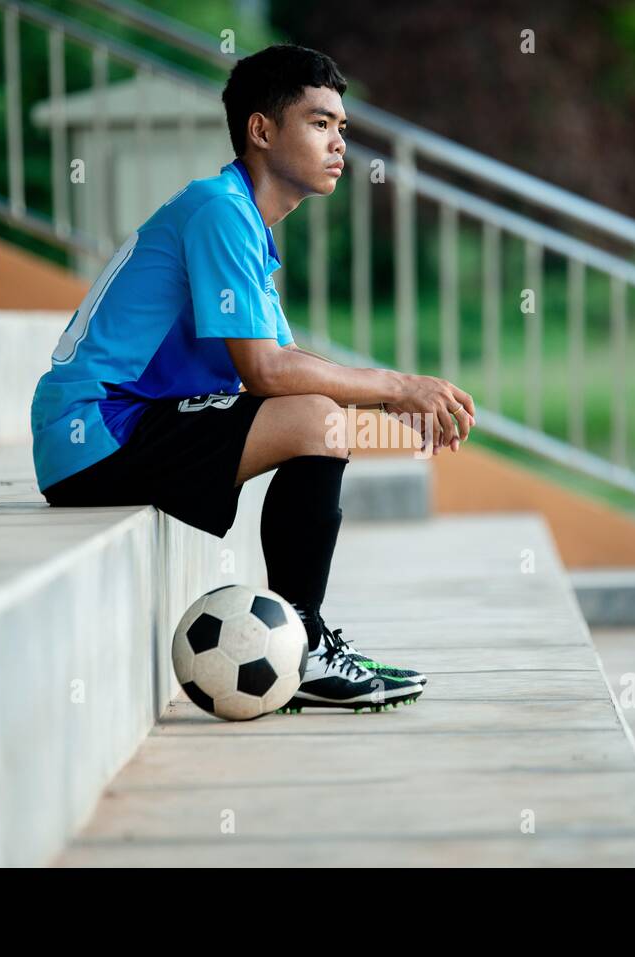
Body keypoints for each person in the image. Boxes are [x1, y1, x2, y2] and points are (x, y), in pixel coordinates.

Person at [30, 44, 476, 712]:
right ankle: (305, 648)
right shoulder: (218, 211)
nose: (338, 144)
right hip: (94, 430)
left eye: (342, 128)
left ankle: (304, 637)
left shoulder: (244, 225)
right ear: (261, 131)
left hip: (112, 429)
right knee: (319, 419)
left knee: (319, 414)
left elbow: (285, 375)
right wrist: (394, 384)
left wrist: (391, 402)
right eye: (320, 123)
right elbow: (264, 371)